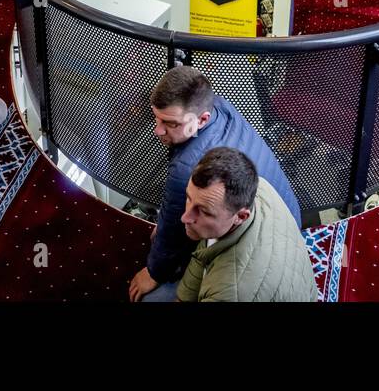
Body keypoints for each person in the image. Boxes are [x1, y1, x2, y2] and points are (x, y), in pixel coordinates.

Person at [129, 65, 302, 302]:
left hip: (255, 256)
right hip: (289, 220)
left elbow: (173, 232)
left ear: (202, 119)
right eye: (156, 118)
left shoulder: (186, 170)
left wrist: (154, 272)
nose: (157, 130)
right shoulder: (219, 106)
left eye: (171, 123)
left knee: (151, 298)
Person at [174, 147, 318, 302]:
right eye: (189, 198)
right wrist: (183, 297)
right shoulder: (257, 187)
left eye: (204, 212)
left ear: (241, 216)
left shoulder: (231, 292)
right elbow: (205, 252)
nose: (185, 217)